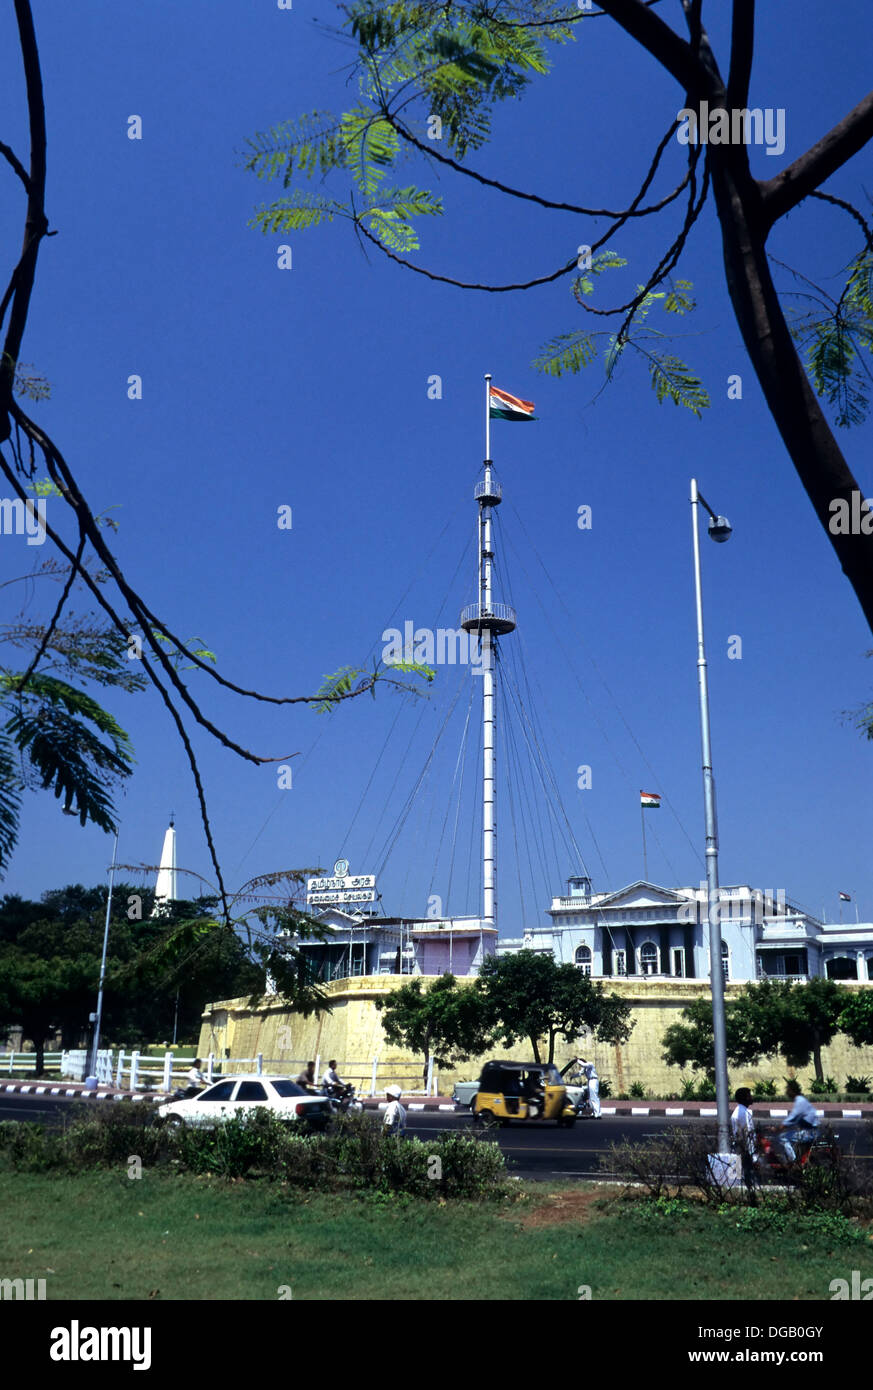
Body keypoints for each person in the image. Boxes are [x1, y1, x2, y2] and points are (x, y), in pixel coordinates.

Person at [776, 1079, 819, 1163]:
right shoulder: (801, 1100)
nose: (787, 1092)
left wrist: (778, 1128)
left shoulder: (800, 1101)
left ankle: (793, 1161)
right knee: (792, 1135)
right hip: (810, 1130)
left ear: (792, 1091)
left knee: (782, 1137)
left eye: (788, 1090)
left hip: (809, 1133)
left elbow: (792, 1118)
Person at [731, 1087, 759, 1195]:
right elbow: (747, 1135)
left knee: (739, 1176)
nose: (751, 1097)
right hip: (745, 1150)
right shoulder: (742, 1114)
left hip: (741, 1148)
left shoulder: (741, 1111)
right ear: (744, 1098)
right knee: (747, 1176)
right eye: (749, 1095)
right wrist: (753, 1155)